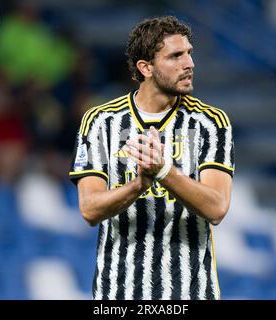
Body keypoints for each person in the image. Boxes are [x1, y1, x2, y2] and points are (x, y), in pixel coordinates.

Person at [69, 16, 235, 300]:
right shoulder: (100, 121)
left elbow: (217, 207)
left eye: (189, 54)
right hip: (119, 295)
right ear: (145, 67)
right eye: (175, 56)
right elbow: (89, 209)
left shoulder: (211, 122)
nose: (189, 64)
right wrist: (138, 185)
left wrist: (163, 172)